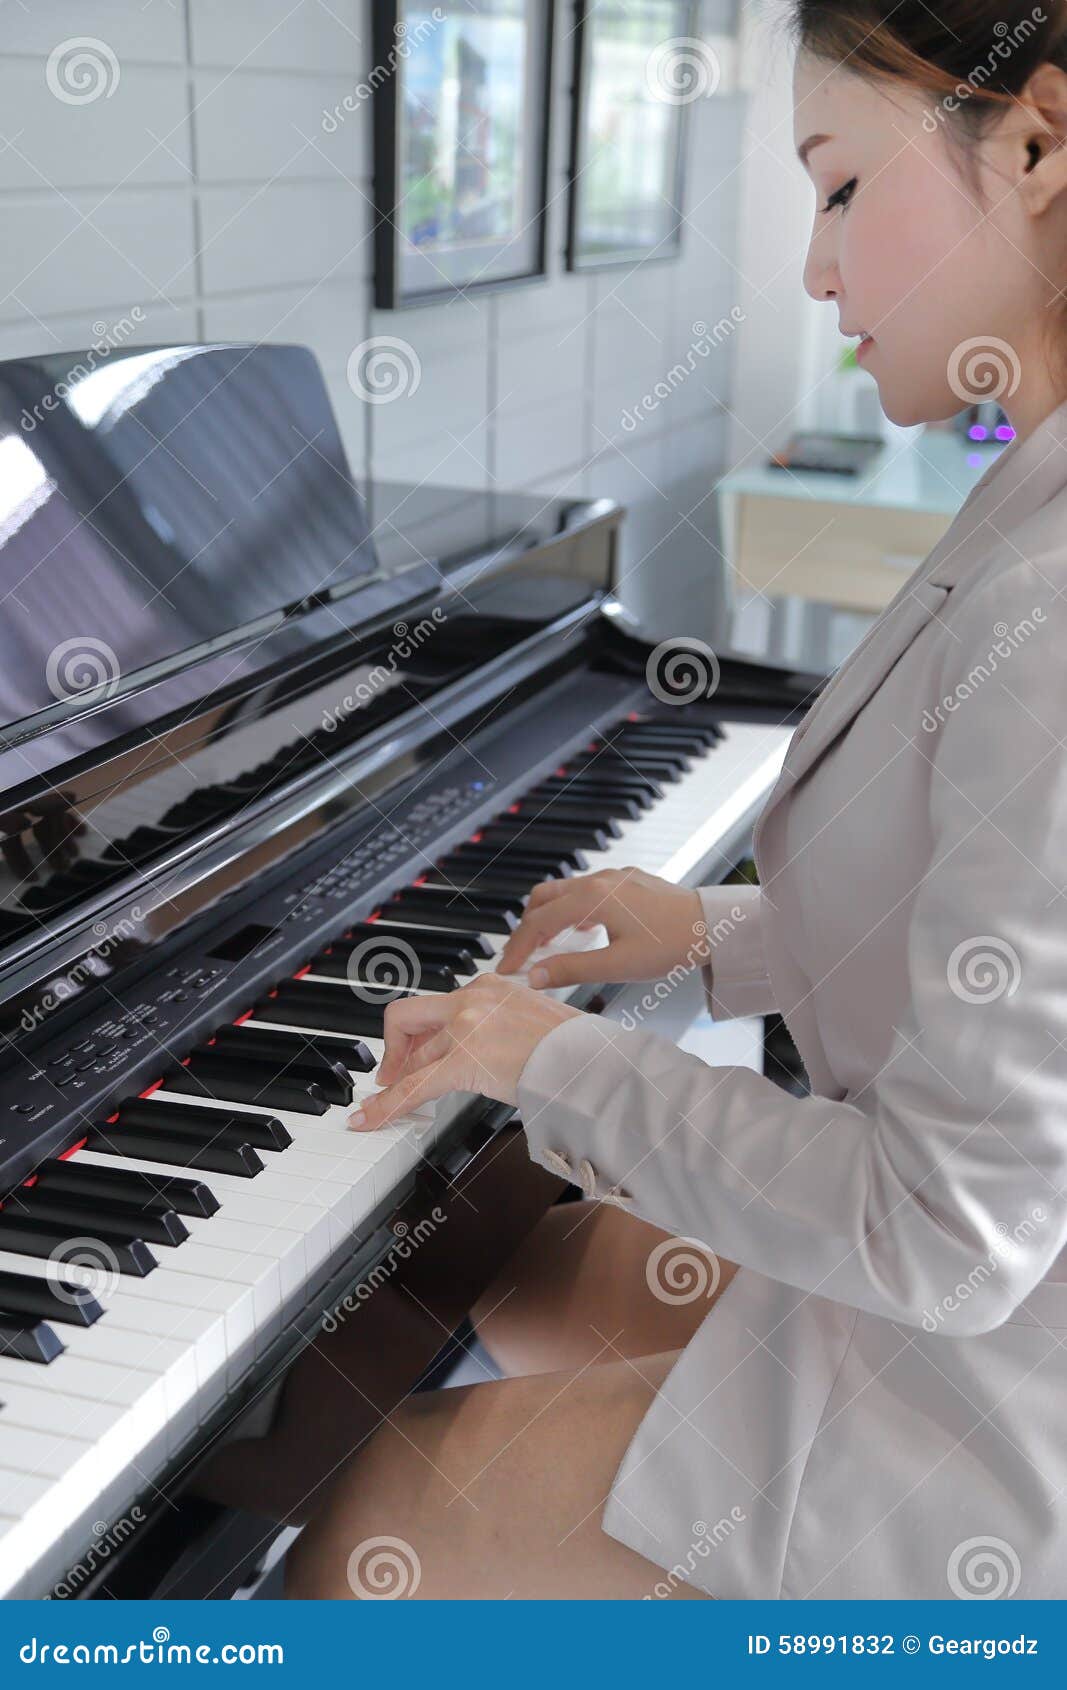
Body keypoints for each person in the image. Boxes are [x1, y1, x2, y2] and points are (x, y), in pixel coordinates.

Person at [284, 1, 1067, 1599]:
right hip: (980, 1301)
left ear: (1041, 141)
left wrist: (551, 1056)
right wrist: (707, 934)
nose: (814, 268)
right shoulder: (1031, 481)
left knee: (386, 1520)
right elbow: (986, 918)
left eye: (840, 187)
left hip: (997, 1412)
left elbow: (948, 1233)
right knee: (516, 1261)